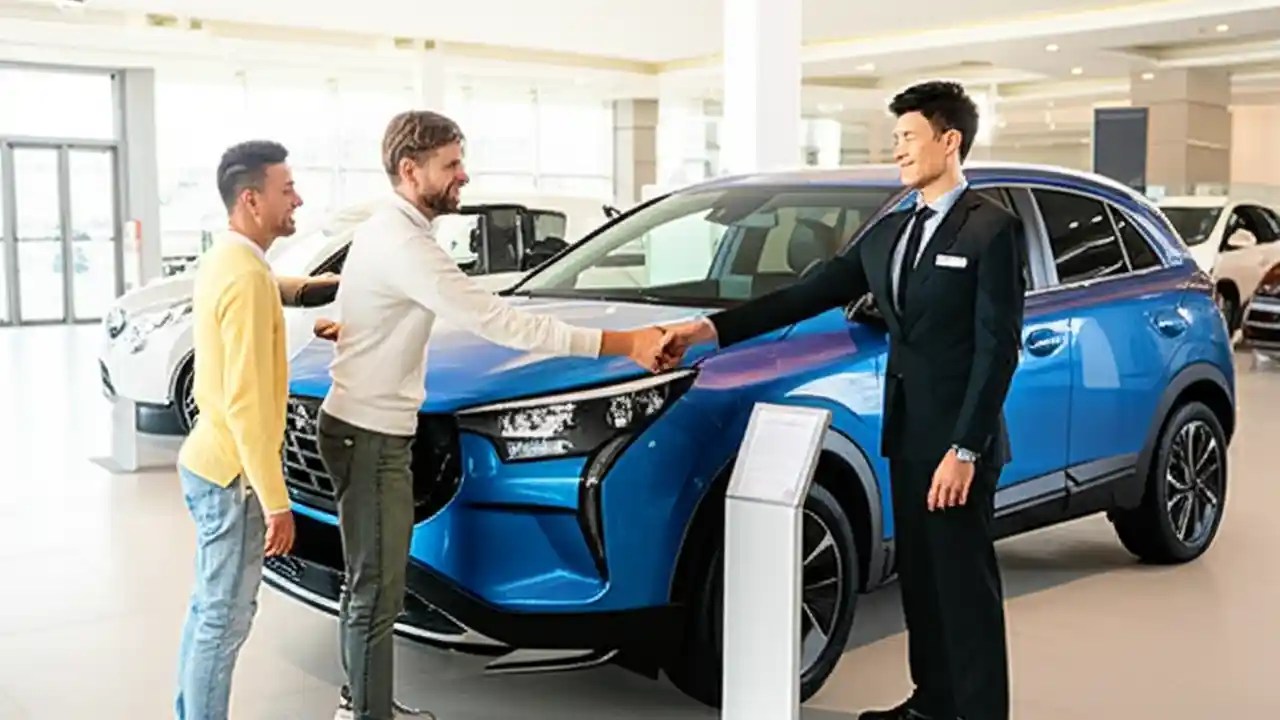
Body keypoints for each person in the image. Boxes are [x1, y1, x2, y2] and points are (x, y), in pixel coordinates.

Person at [660, 81, 1025, 720]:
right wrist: (710, 330)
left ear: (950, 141)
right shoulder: (890, 231)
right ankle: (935, 702)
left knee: (964, 586)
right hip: (908, 435)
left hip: (959, 445)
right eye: (895, 142)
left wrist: (966, 448)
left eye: (908, 139)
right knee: (921, 580)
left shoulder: (991, 229)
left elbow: (998, 351)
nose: (899, 153)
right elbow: (811, 292)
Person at [316, 109, 668, 720]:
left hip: (360, 428)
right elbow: (503, 322)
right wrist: (626, 344)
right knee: (378, 588)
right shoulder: (405, 242)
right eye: (451, 165)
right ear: (410, 169)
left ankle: (361, 703)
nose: (463, 176)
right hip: (372, 437)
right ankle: (368, 715)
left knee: (369, 580)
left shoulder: (385, 230)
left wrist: (360, 330)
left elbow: (364, 307)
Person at [173, 140, 303, 720]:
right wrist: (277, 501)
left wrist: (318, 300)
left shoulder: (229, 259)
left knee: (208, 611)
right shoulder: (248, 277)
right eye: (286, 189)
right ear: (252, 199)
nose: (297, 198)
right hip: (233, 476)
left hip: (206, 458)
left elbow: (263, 303)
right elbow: (248, 404)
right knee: (224, 619)